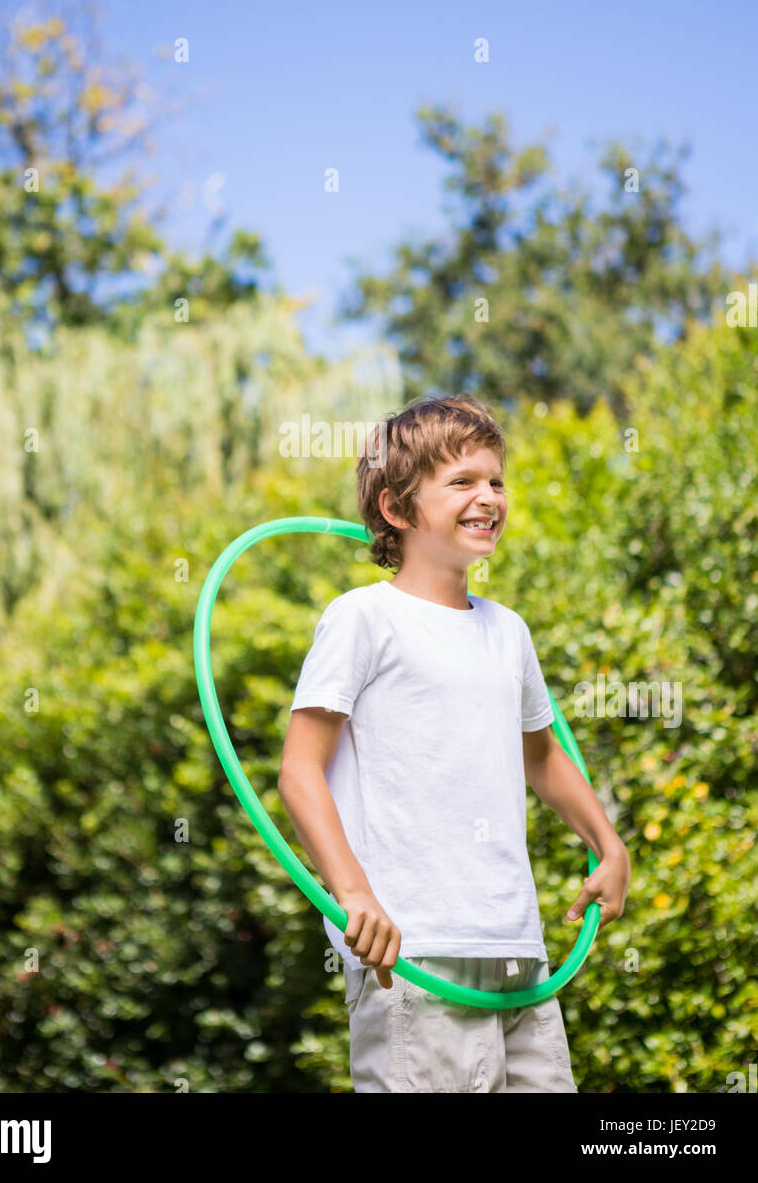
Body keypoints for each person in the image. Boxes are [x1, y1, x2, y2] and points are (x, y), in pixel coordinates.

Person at [277, 392, 630, 1093]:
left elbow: (542, 754)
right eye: (462, 482)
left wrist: (608, 843)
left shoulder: (508, 631)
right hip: (413, 951)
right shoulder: (363, 619)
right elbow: (298, 772)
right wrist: (354, 895)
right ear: (396, 508)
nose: (489, 497)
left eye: (496, 480)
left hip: (516, 955)